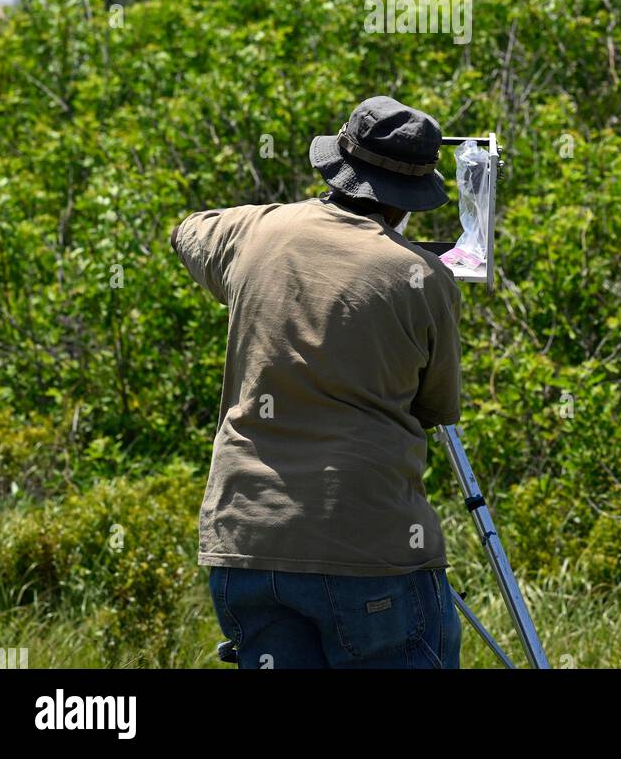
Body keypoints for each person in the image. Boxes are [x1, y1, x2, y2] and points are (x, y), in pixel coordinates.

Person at [171, 95, 463, 669]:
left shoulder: (253, 231)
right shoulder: (426, 280)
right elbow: (438, 406)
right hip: (368, 549)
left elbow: (189, 231)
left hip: (246, 542)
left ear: (338, 166)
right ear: (409, 200)